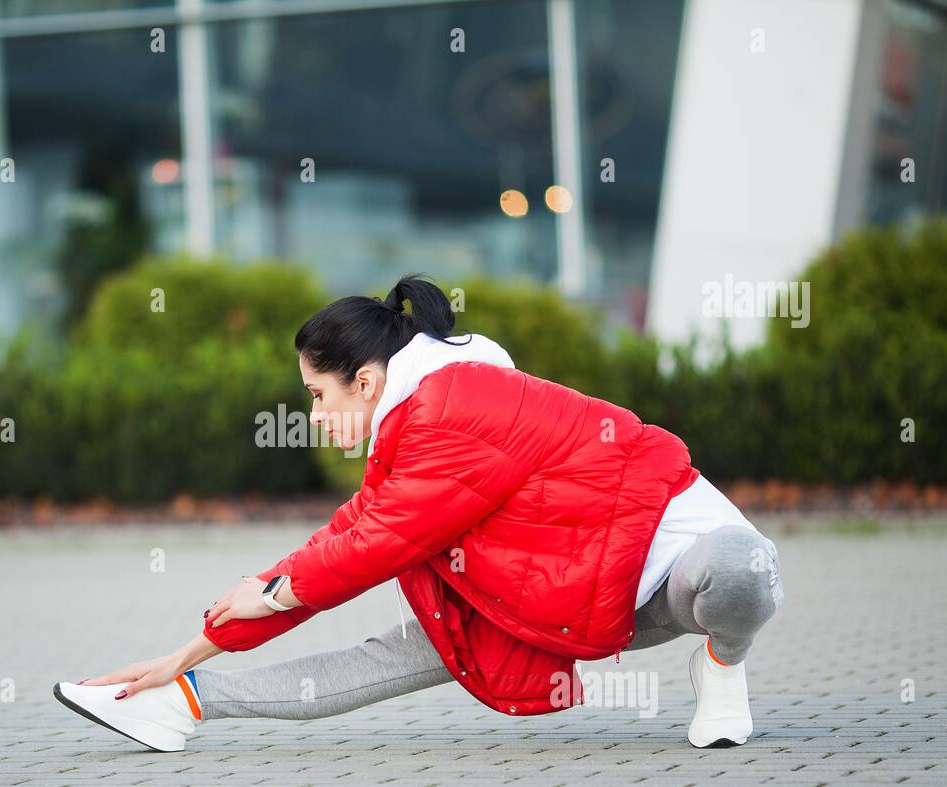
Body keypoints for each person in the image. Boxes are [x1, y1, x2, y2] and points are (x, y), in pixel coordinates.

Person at [53, 273, 785, 752]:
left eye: (317, 394)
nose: (312, 415)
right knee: (379, 661)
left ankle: (724, 665)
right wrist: (188, 652)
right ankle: (176, 704)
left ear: (366, 380)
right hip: (567, 596)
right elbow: (346, 543)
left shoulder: (453, 409)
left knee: (743, 568)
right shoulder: (414, 432)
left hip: (673, 572)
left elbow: (366, 548)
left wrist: (273, 590)